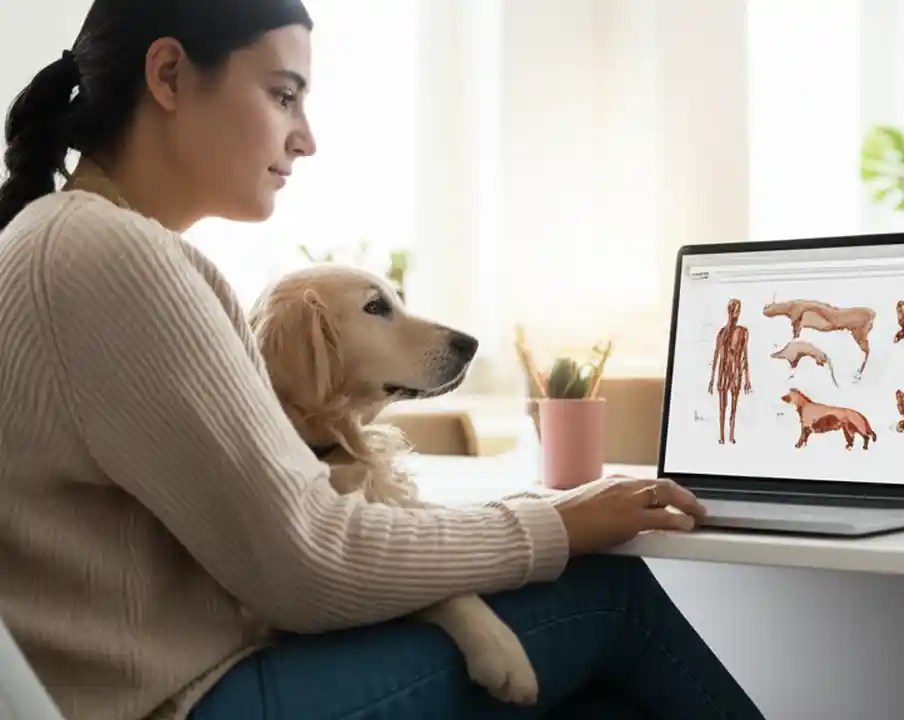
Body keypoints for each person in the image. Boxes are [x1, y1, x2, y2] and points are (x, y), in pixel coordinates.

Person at [0, 1, 765, 718]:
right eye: (283, 96)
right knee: (610, 595)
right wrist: (555, 523)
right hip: (186, 702)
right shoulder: (112, 254)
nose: (305, 138)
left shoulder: (51, 240)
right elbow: (311, 559)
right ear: (169, 75)